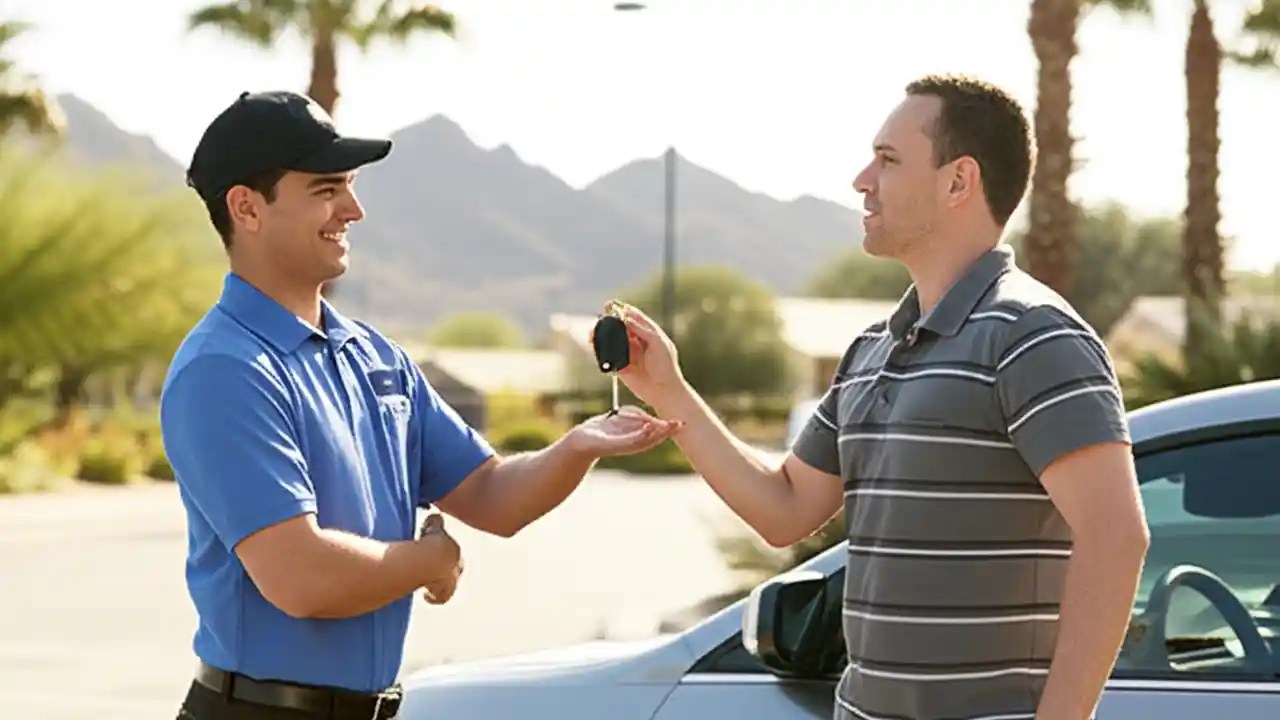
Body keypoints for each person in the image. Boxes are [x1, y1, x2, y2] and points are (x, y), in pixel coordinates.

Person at [609, 75, 1150, 720]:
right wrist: (669, 390)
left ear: (958, 182)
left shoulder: (1033, 337)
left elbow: (1116, 536)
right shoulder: (871, 351)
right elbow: (783, 509)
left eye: (888, 159)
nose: (862, 179)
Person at [162, 90, 680, 720]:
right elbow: (300, 577)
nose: (353, 210)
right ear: (246, 207)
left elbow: (491, 495)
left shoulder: (375, 357)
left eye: (350, 187)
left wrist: (577, 446)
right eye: (326, 190)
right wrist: (429, 560)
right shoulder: (225, 369)